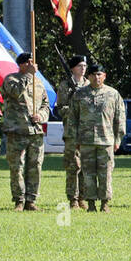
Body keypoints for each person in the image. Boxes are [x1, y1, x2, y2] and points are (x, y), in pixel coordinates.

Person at [67, 62, 126, 212]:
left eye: (99, 74)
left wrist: (117, 139)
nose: (96, 77)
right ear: (88, 77)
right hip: (86, 141)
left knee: (105, 173)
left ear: (104, 76)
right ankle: (91, 203)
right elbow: (72, 119)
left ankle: (105, 203)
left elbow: (120, 118)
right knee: (88, 174)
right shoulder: (79, 94)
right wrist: (74, 140)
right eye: (93, 75)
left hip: (106, 140)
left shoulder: (113, 94)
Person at [0, 51, 50, 211]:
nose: (31, 65)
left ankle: (31, 200)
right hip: (17, 130)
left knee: (35, 166)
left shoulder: (39, 83)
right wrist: (28, 76)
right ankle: (19, 200)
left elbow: (45, 105)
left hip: (35, 132)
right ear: (21, 65)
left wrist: (40, 116)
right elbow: (15, 92)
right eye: (28, 62)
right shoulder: (11, 79)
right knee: (17, 166)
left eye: (32, 62)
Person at [56, 55, 87, 209]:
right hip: (72, 132)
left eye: (85, 66)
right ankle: (73, 199)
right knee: (73, 166)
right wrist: (75, 109)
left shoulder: (89, 85)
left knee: (86, 166)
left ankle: (83, 197)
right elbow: (60, 108)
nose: (83, 68)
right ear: (73, 68)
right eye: (80, 65)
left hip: (87, 133)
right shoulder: (65, 86)